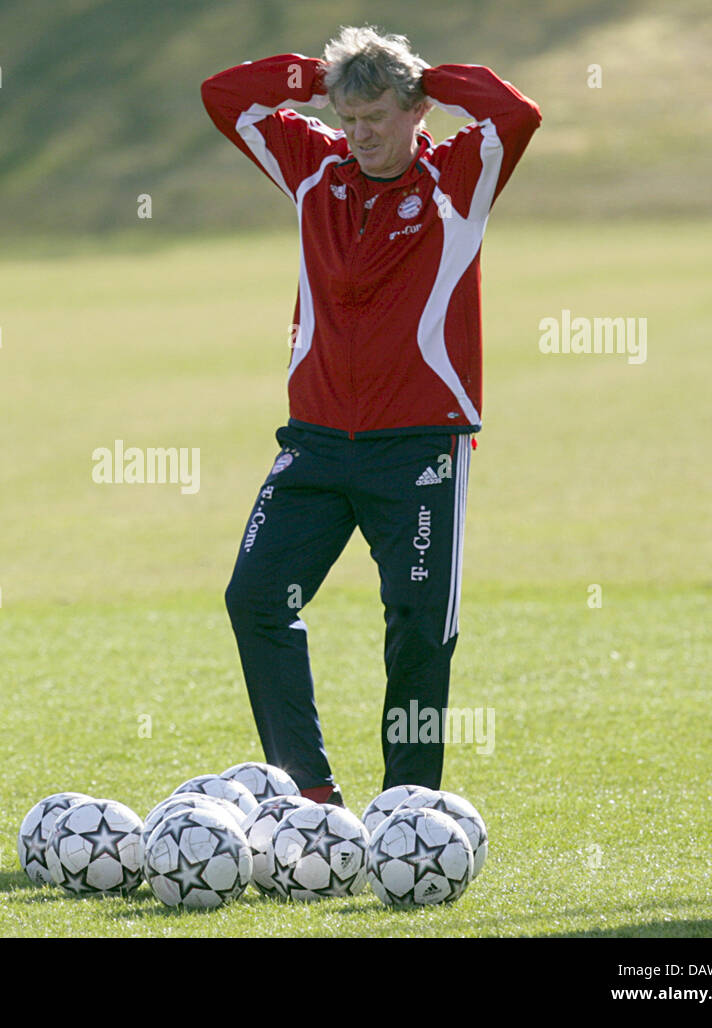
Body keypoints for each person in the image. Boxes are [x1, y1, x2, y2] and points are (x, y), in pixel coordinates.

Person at [201, 25, 541, 805]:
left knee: (419, 629)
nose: (360, 137)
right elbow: (222, 96)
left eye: (377, 119)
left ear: (415, 112)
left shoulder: (458, 179)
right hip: (315, 445)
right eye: (349, 120)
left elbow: (516, 116)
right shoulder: (315, 168)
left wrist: (434, 80)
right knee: (255, 598)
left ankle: (407, 810)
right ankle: (309, 793)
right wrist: (311, 78)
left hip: (419, 446)